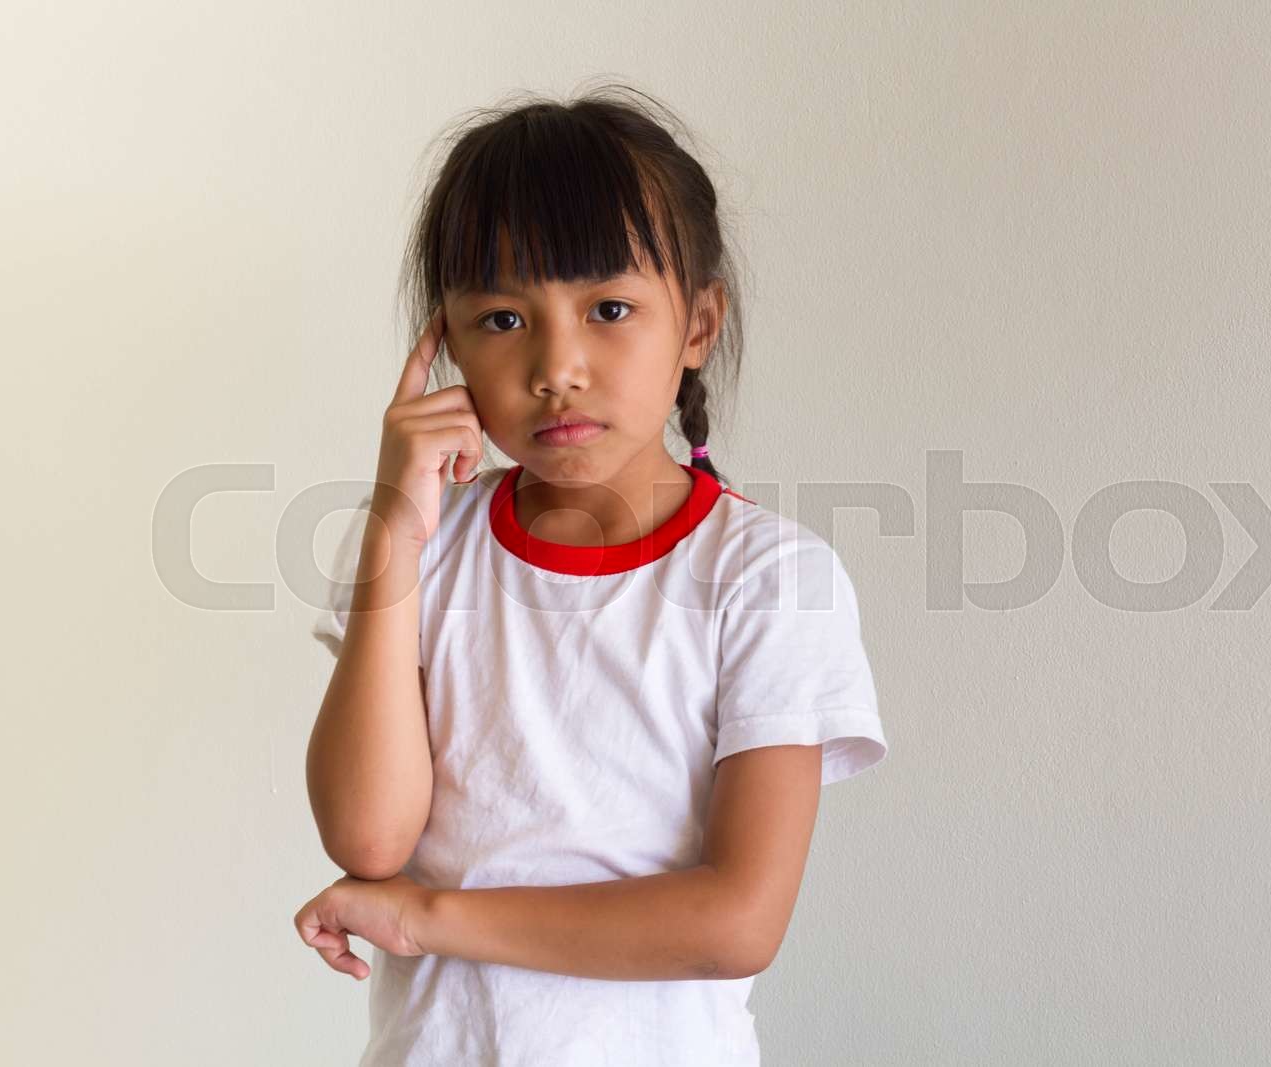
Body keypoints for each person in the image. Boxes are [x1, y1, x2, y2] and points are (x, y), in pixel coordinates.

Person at [293, 82, 889, 1067]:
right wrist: (394, 524)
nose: (556, 364)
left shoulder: (766, 575)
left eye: (609, 307)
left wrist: (430, 917)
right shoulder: (424, 548)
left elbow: (732, 920)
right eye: (499, 319)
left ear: (696, 326)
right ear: (440, 344)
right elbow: (367, 838)